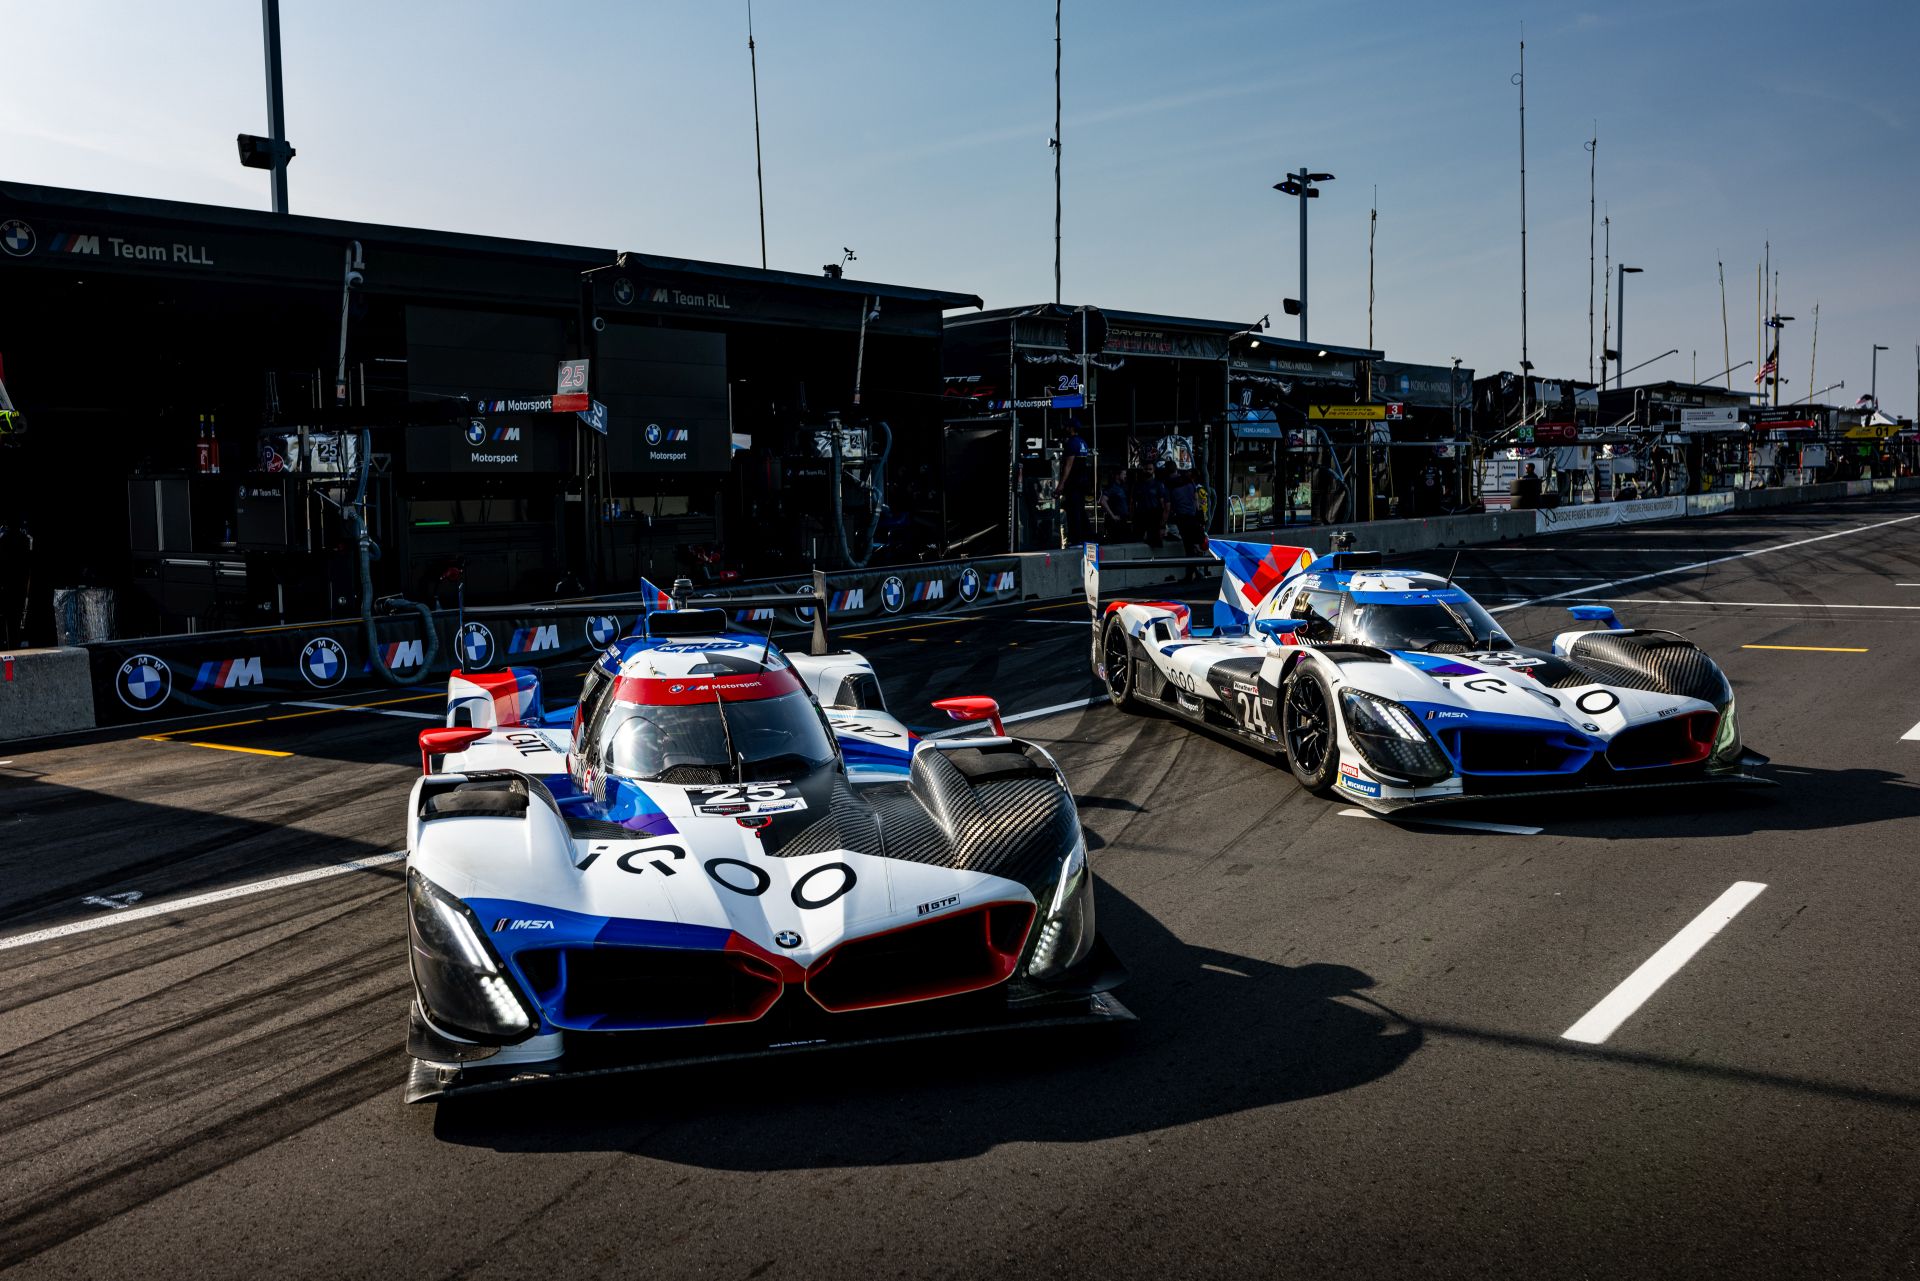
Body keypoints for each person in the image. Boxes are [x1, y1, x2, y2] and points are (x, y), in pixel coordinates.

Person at [1057, 420, 1092, 546]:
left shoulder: (1071, 443)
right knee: (1080, 510)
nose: (1065, 428)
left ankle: (1076, 540)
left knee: (1073, 512)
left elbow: (1068, 465)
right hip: (1082, 482)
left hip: (1074, 483)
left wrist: (1061, 484)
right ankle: (1086, 537)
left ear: (1071, 428)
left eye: (1066, 427)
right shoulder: (1083, 442)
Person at [1169, 468, 1206, 568]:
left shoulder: (1174, 488)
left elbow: (1172, 505)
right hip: (1192, 518)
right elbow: (1196, 503)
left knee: (1188, 546)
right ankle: (1199, 570)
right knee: (1195, 543)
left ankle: (1192, 572)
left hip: (1182, 519)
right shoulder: (1192, 486)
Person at [1132, 464, 1169, 549]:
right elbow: (1133, 502)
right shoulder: (1138, 485)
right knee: (1138, 541)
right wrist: (1133, 516)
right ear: (1143, 469)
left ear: (1153, 470)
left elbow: (1163, 504)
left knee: (1155, 544)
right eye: (1146, 469)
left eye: (1150, 469)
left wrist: (1163, 523)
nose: (1148, 471)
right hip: (1140, 516)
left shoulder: (1158, 484)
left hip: (1154, 516)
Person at [1099, 468, 1132, 541]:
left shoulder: (1122, 487)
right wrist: (1113, 516)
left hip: (1123, 520)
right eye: (1124, 474)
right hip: (1115, 521)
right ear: (1117, 476)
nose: (1125, 476)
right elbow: (1103, 501)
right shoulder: (1112, 487)